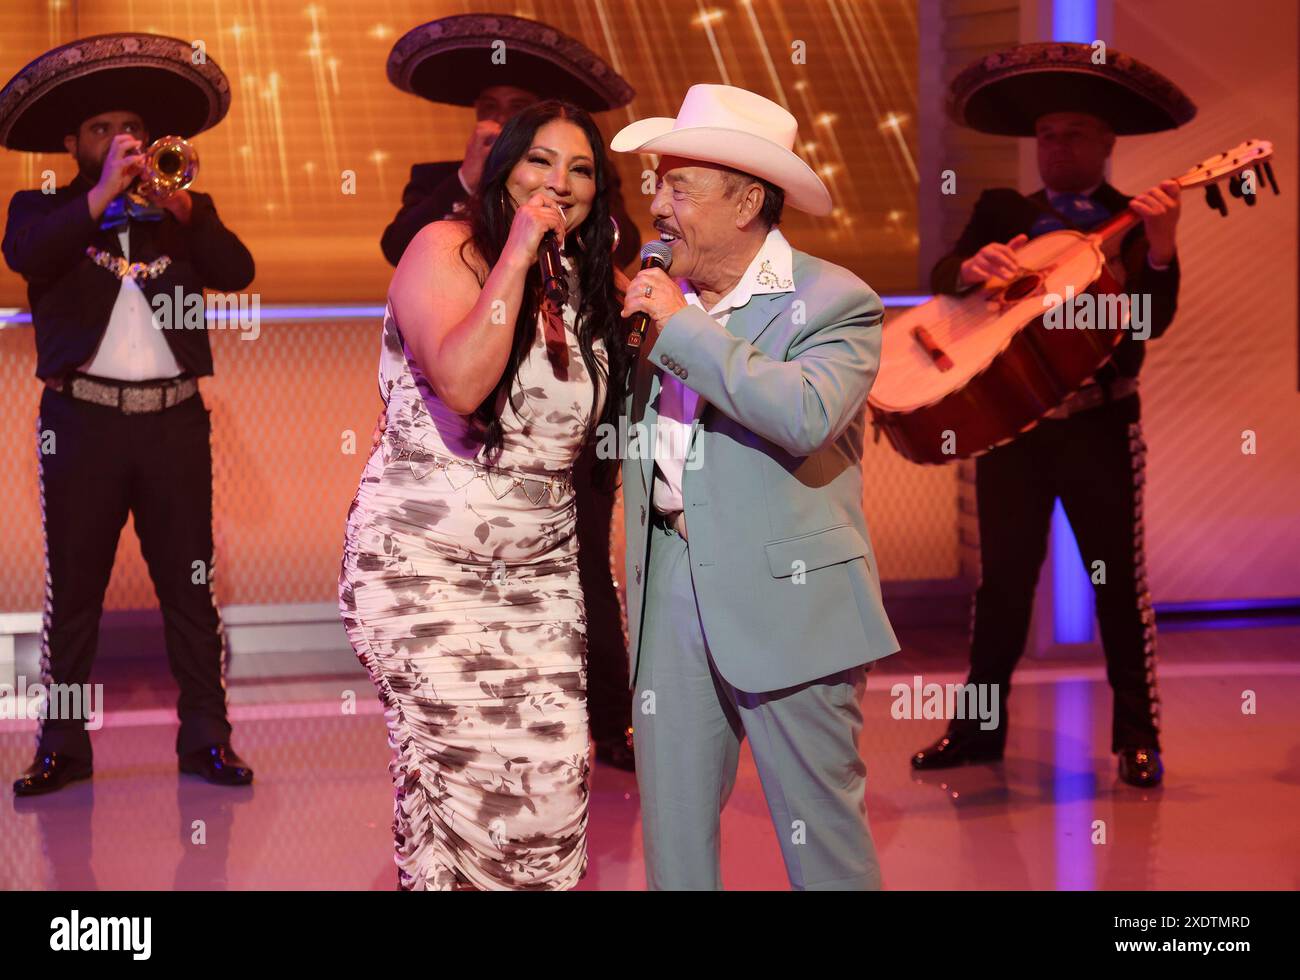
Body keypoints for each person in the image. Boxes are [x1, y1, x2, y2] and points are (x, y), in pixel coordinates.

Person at [613, 84, 900, 890]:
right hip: (670, 584)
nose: (658, 206)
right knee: (672, 841)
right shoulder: (657, 296)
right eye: (657, 184)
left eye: (679, 187)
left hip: (792, 596)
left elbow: (805, 413)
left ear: (746, 201)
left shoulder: (836, 301)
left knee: (825, 850)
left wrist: (682, 327)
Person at [339, 100, 631, 890]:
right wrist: (517, 252)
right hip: (424, 570)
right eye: (539, 160)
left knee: (556, 783)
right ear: (503, 170)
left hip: (539, 580)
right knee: (464, 783)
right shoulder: (442, 249)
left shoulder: (590, 285)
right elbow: (465, 380)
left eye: (580, 170)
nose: (559, 182)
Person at [911, 42, 1192, 788]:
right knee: (1001, 585)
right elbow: (945, 280)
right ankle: (977, 730)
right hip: (1014, 429)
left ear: (1105, 143)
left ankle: (1138, 738)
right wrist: (970, 269)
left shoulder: (1132, 221)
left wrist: (1159, 249)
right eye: (1045, 134)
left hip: (1101, 426)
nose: (1055, 146)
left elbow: (1148, 325)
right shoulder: (1006, 214)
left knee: (1116, 585)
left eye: (1072, 133)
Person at [378, 12, 640, 771]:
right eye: (490, 112)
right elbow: (407, 255)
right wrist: (476, 180)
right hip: (448, 524)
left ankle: (613, 720)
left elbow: (616, 281)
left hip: (565, 471)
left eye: (574, 164)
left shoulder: (586, 227)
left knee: (592, 568)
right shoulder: (440, 209)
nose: (557, 176)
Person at [0, 33, 256, 795]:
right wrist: (100, 195)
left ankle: (206, 740)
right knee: (74, 596)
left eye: (130, 130)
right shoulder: (42, 208)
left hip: (174, 422)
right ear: (73, 144)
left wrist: (187, 211)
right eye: (101, 130)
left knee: (190, 590)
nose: (120, 141)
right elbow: (29, 255)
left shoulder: (183, 208)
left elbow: (237, 271)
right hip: (82, 424)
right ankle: (64, 747)